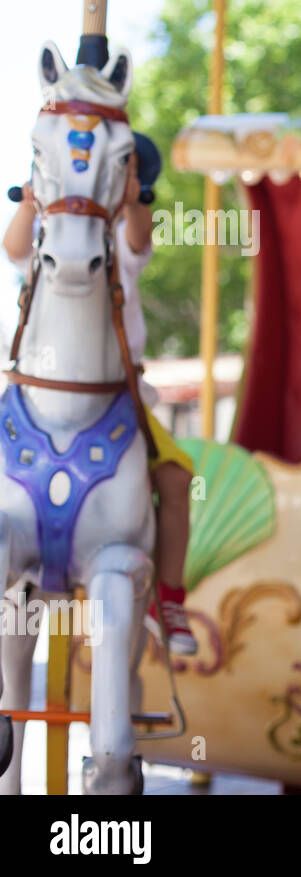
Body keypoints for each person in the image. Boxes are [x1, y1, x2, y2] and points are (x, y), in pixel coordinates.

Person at [2, 140, 198, 655]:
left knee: (176, 477)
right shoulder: (54, 227)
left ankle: (170, 597)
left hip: (116, 397)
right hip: (42, 389)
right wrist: (30, 196)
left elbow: (139, 238)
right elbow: (15, 249)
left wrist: (135, 198)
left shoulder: (113, 237)